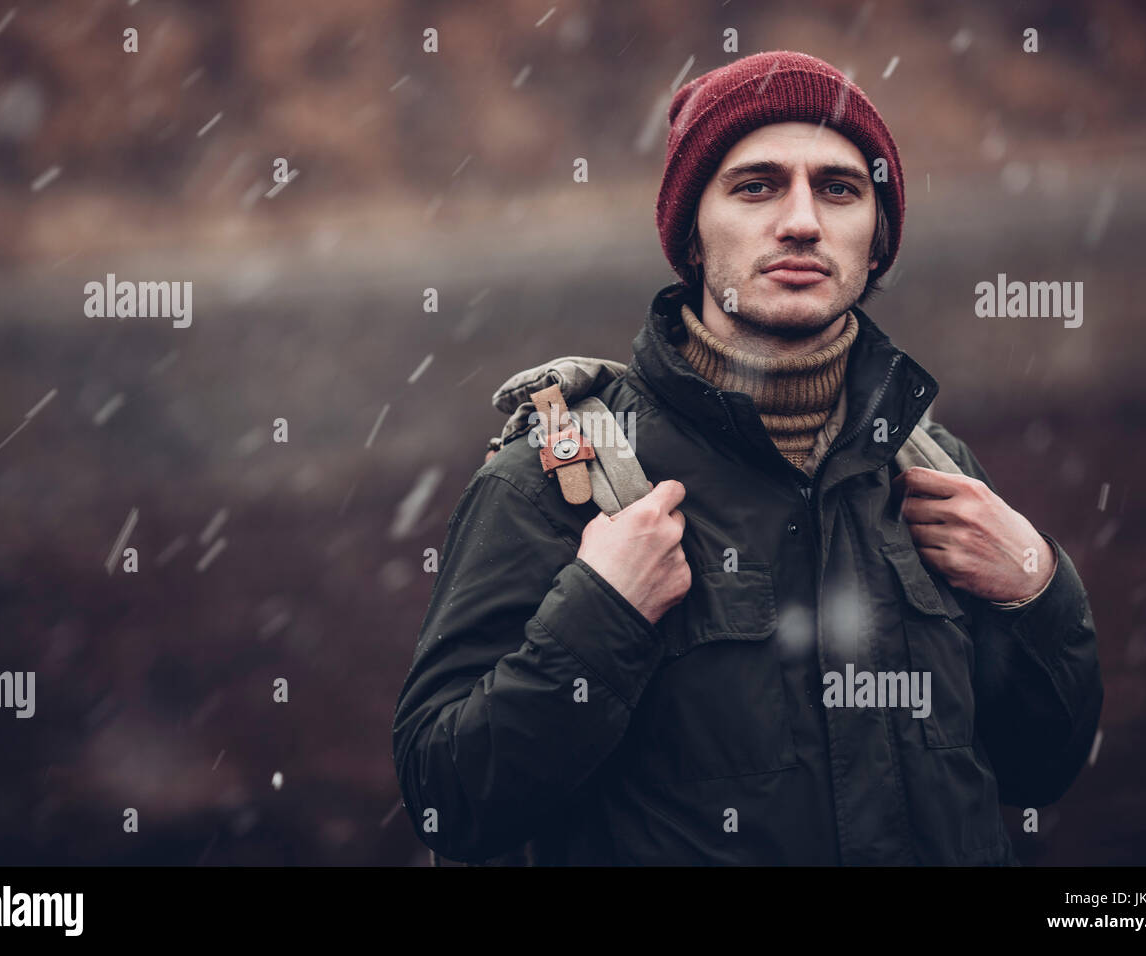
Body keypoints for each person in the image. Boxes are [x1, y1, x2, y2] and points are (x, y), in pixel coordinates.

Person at [391, 50, 1103, 865]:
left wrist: (1039, 590)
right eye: (756, 186)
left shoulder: (936, 472)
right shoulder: (559, 481)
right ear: (692, 237)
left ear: (877, 243)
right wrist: (599, 617)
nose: (801, 220)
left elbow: (1044, 770)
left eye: (839, 189)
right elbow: (444, 800)